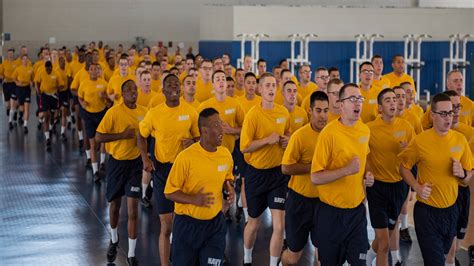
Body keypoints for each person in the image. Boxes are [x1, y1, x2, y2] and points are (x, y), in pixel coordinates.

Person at [399, 93, 472, 265]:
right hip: (427, 214)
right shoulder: (420, 141)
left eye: (451, 112)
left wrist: (461, 174)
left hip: (451, 211)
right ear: (432, 115)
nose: (449, 117)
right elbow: (403, 167)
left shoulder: (460, 140)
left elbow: (468, 177)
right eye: (444, 114)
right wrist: (416, 187)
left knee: (446, 256)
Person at [138, 74, 199, 266]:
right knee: (166, 224)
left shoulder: (190, 112)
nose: (174, 87)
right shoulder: (154, 113)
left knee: (185, 222)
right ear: (163, 91)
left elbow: (201, 139)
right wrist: (145, 158)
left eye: (176, 85)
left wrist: (194, 141)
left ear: (180, 89)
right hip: (163, 172)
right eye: (169, 85)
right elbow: (141, 134)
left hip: (185, 172)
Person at [311, 83, 374, 265]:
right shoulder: (328, 134)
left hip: (357, 213)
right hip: (331, 215)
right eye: (352, 99)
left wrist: (368, 174)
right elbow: (315, 177)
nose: (358, 103)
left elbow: (365, 159)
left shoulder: (364, 130)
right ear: (340, 105)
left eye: (360, 99)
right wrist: (346, 170)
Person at [164, 107, 235, 265]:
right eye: (217, 125)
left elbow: (227, 178)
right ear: (204, 130)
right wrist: (194, 199)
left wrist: (228, 187)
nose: (222, 129)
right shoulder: (186, 158)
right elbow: (169, 192)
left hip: (215, 226)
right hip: (187, 226)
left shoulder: (225, 155)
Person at [240, 73, 291, 266]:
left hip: (277, 175)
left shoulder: (283, 113)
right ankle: (246, 259)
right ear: (260, 89)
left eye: (273, 86)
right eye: (267, 86)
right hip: (256, 174)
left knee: (279, 225)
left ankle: (273, 264)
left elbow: (286, 134)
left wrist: (286, 140)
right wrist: (266, 141)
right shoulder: (253, 115)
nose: (271, 89)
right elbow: (244, 147)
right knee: (253, 223)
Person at [95, 79, 146, 266]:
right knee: (115, 206)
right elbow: (99, 136)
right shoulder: (113, 113)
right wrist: (121, 136)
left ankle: (131, 254)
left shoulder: (144, 112)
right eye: (129, 90)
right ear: (122, 94)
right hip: (116, 164)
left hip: (135, 165)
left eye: (135, 89)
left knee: (133, 210)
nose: (134, 92)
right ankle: (114, 239)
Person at [365, 88, 415, 266]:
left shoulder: (406, 127)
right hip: (377, 189)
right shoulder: (369, 129)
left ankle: (370, 255)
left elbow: (414, 158)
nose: (393, 102)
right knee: (385, 242)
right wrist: (367, 173)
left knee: (385, 235)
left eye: (394, 99)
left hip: (399, 187)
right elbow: (361, 155)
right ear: (379, 107)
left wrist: (408, 150)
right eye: (387, 100)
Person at [280, 91, 329, 265]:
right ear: (310, 111)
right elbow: (286, 167)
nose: (323, 115)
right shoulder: (299, 136)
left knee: (324, 254)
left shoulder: (332, 135)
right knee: (293, 257)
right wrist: (313, 168)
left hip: (324, 203)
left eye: (326, 110)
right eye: (318, 110)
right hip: (299, 202)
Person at [443, 90, 473, 266]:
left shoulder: (468, 133)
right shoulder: (433, 132)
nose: (454, 112)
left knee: (459, 236)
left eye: (458, 107)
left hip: (461, 191)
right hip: (441, 194)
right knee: (447, 242)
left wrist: (463, 174)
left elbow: (470, 172)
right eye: (451, 107)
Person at [78, 63, 110, 180]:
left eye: (96, 69)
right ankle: (95, 171)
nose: (93, 71)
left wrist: (105, 97)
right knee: (93, 143)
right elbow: (80, 96)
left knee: (102, 141)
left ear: (98, 71)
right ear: (89, 71)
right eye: (91, 69)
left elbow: (109, 101)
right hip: (89, 115)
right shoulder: (84, 84)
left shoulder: (103, 83)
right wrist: (82, 103)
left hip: (101, 114)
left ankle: (102, 163)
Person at [35, 61, 63, 151]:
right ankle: (47, 138)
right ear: (45, 68)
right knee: (46, 116)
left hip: (54, 95)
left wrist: (57, 88)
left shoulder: (56, 73)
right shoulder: (41, 72)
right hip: (45, 95)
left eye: (49, 69)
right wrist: (38, 90)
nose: (48, 70)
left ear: (51, 68)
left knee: (53, 116)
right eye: (47, 69)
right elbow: (37, 82)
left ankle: (52, 124)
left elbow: (61, 85)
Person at [11, 54, 34, 133]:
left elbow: (32, 79)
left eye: (26, 59)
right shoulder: (18, 69)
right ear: (21, 60)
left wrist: (31, 82)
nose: (25, 60)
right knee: (22, 107)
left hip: (27, 89)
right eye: (23, 59)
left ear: (27, 60)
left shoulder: (31, 69)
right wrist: (17, 82)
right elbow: (13, 78)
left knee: (27, 107)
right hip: (19, 89)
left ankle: (25, 125)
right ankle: (18, 113)